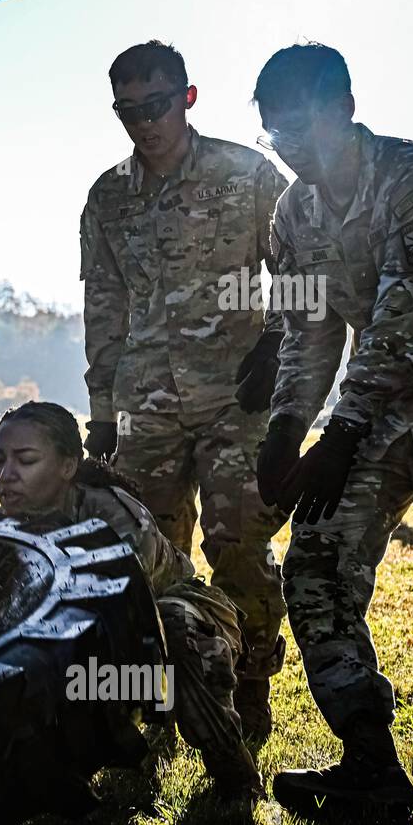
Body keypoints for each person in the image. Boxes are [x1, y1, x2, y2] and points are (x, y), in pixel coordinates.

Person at [253, 44, 413, 816]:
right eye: (273, 136)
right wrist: (286, 423)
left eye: (300, 127)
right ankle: (371, 765)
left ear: (344, 106)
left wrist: (338, 434)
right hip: (376, 417)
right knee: (314, 564)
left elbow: (406, 317)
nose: (289, 149)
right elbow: (307, 330)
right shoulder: (294, 212)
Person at [79, 41, 291, 739]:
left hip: (239, 397)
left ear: (188, 98)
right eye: (128, 110)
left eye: (158, 105)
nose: (145, 123)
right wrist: (103, 413)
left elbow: (306, 262)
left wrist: (278, 338)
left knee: (239, 547)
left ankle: (248, 689)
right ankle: (168, 692)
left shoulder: (248, 174)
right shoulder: (108, 197)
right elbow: (105, 309)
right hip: (148, 406)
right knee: (145, 552)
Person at [0, 402, 263, 800]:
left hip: (167, 622)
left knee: (175, 625)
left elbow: (123, 603)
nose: (5, 475)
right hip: (98, 656)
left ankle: (235, 775)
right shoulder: (1, 528)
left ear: (68, 467)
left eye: (25, 460)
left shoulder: (110, 513)